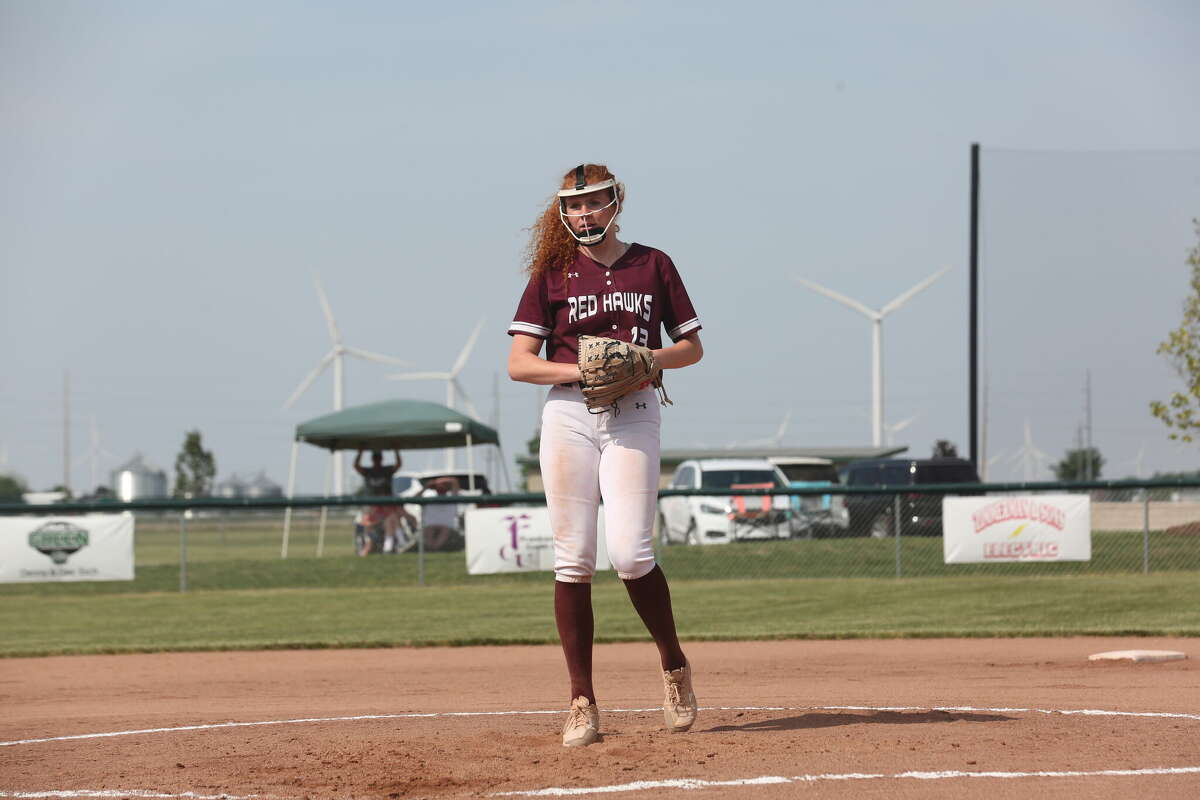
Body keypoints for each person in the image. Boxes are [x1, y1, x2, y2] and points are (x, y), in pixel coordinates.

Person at [507, 164, 704, 747]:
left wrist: (645, 361)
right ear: (563, 213)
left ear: (615, 203)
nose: (583, 215)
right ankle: (581, 702)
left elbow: (691, 347)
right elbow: (520, 362)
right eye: (573, 206)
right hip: (569, 411)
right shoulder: (553, 272)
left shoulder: (653, 263)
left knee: (629, 551)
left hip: (635, 408)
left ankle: (673, 666)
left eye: (593, 203)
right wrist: (583, 370)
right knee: (573, 557)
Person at [353, 449, 412, 555]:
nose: (377, 460)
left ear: (381, 459)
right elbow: (356, 466)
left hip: (386, 512)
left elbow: (398, 465)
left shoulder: (386, 470)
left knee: (392, 518)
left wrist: (396, 450)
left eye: (379, 458)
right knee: (391, 518)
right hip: (373, 511)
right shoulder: (368, 472)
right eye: (375, 458)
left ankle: (393, 545)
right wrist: (360, 452)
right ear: (372, 459)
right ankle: (399, 543)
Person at [420, 476, 464, 551]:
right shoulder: (428, 498)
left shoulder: (453, 498)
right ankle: (431, 550)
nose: (441, 487)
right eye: (438, 486)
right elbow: (415, 498)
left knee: (445, 530)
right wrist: (425, 488)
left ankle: (434, 550)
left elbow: (454, 481)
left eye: (443, 485)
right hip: (430, 526)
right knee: (429, 530)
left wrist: (437, 481)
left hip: (447, 527)